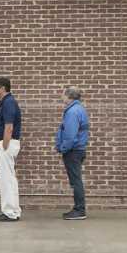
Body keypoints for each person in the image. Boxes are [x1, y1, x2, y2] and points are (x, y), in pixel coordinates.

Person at [54, 87, 89, 221]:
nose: (61, 97)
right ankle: (78, 208)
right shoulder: (78, 109)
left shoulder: (72, 111)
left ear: (69, 96)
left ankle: (79, 210)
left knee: (75, 181)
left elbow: (70, 135)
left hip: (73, 151)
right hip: (77, 150)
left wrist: (63, 148)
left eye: (63, 94)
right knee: (76, 180)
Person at [0, 78, 21, 221]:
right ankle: (13, 211)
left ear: (3, 88)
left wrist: (4, 145)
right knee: (9, 179)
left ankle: (10, 212)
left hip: (6, 144)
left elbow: (9, 126)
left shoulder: (8, 102)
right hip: (6, 143)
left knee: (6, 179)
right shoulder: (7, 102)